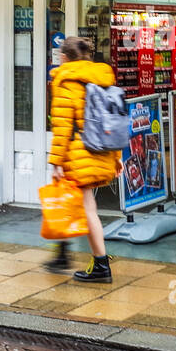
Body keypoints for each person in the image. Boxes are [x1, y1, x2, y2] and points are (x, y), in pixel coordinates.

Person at [46, 36, 122, 282]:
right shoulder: (102, 78)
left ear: (64, 57)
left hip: (79, 153)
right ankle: (66, 253)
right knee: (80, 204)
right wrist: (117, 156)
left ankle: (100, 263)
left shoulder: (66, 81)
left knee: (86, 208)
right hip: (102, 150)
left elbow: (62, 126)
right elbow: (113, 120)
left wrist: (56, 162)